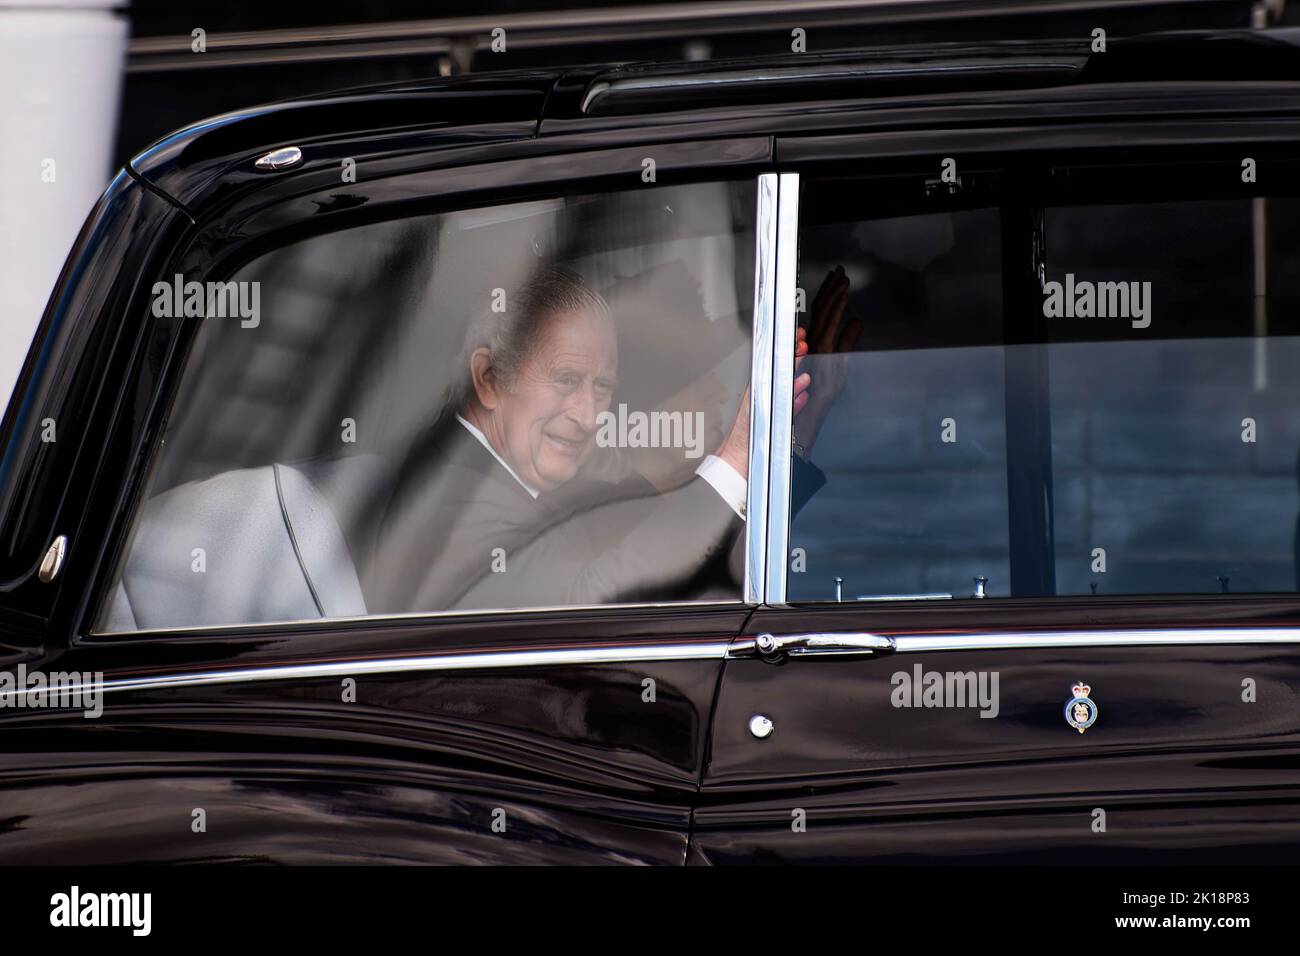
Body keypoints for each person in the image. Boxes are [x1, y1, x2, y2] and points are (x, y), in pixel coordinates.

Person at [365, 264, 849, 613]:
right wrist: (739, 450)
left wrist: (797, 434)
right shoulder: (445, 498)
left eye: (602, 388)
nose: (589, 415)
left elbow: (704, 557)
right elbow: (593, 602)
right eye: (566, 380)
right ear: (490, 378)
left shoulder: (525, 478)